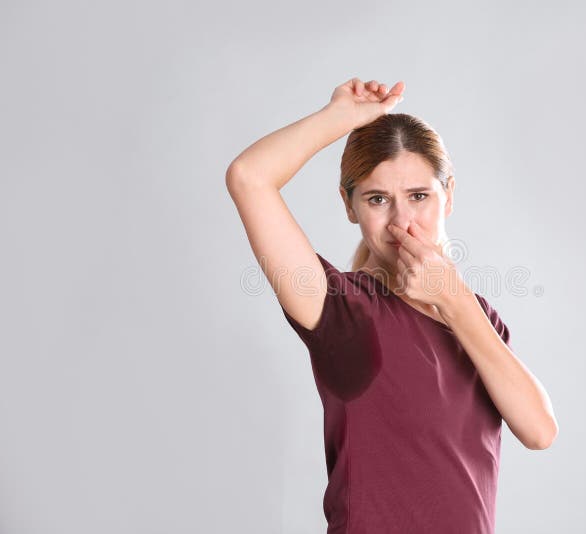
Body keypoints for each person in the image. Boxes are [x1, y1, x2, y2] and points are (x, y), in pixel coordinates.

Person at [226, 77, 558, 533]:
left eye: (419, 196)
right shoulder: (343, 313)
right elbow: (249, 177)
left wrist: (455, 302)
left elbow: (539, 431)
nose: (402, 221)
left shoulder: (477, 317)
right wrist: (338, 119)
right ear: (349, 205)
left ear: (449, 195)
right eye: (378, 199)